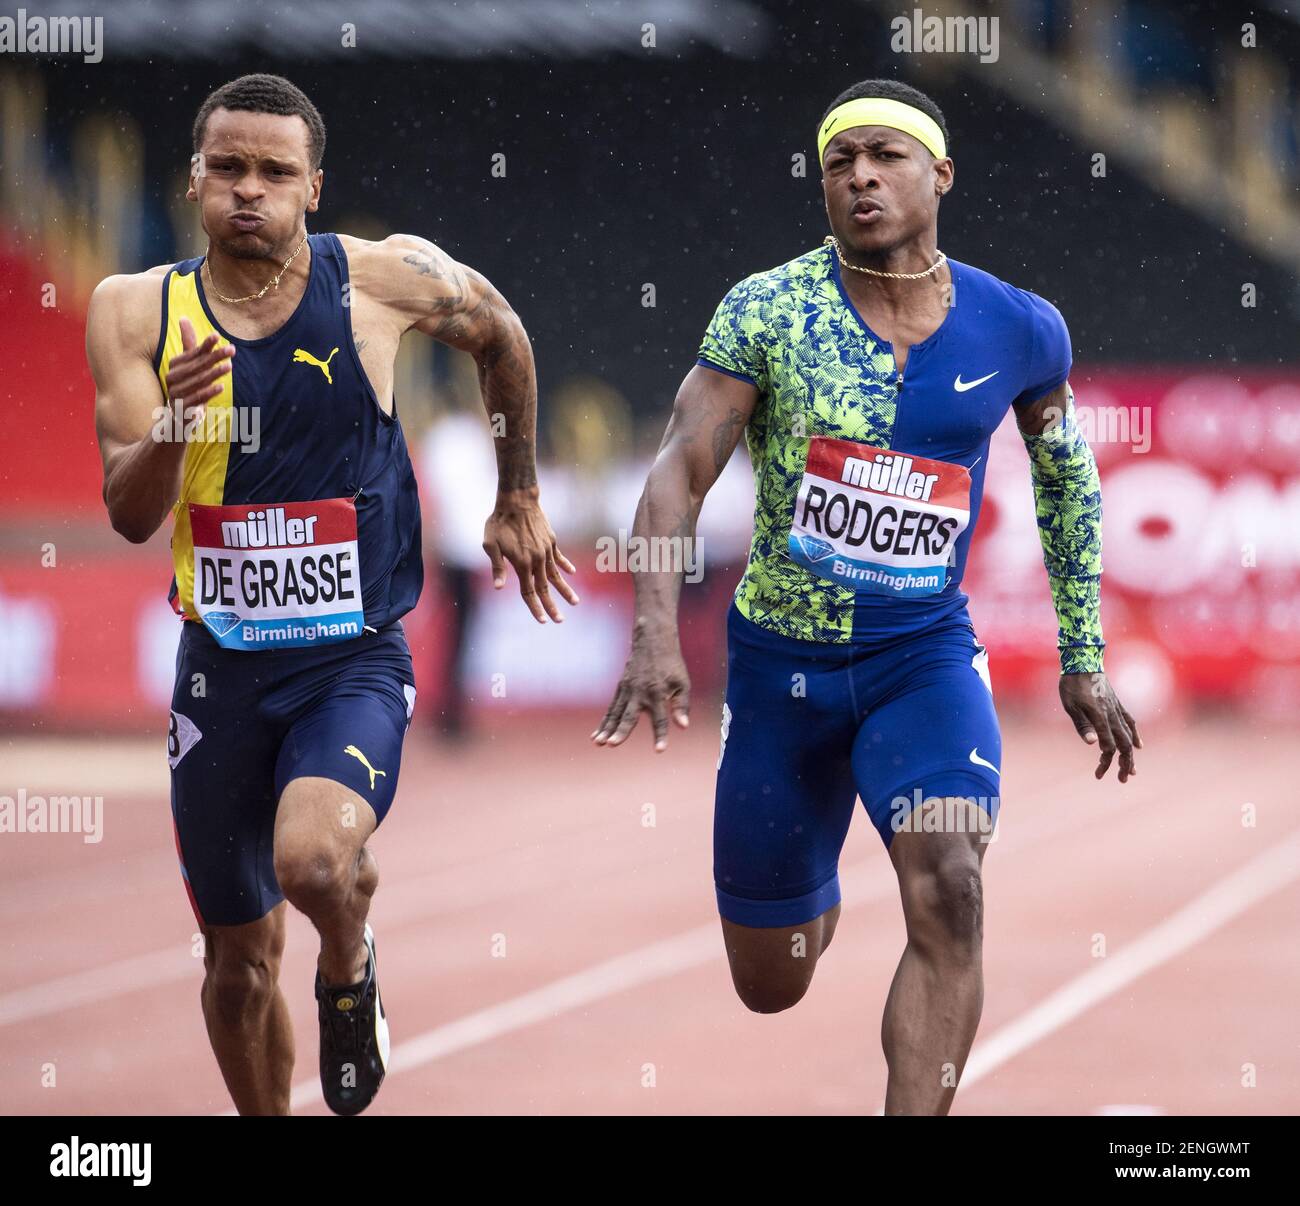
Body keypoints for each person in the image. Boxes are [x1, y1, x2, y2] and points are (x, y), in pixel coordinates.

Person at [593, 78, 1140, 1115]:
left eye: (884, 156)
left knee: (951, 883)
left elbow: (1070, 484)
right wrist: (653, 633)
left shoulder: (1020, 329)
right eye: (839, 162)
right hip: (779, 673)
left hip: (920, 660)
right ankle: (813, 861)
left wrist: (1083, 655)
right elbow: (674, 473)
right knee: (772, 978)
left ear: (938, 174)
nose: (859, 177)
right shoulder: (767, 309)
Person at [87, 73, 577, 1115]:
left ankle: (348, 963)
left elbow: (501, 333)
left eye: (273, 172)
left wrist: (518, 494)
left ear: (314, 186)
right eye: (227, 169)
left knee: (312, 861)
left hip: (350, 658)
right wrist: (178, 424)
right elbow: (129, 516)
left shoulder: (382, 281)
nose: (247, 192)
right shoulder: (134, 311)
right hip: (219, 671)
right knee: (235, 960)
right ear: (192, 181)